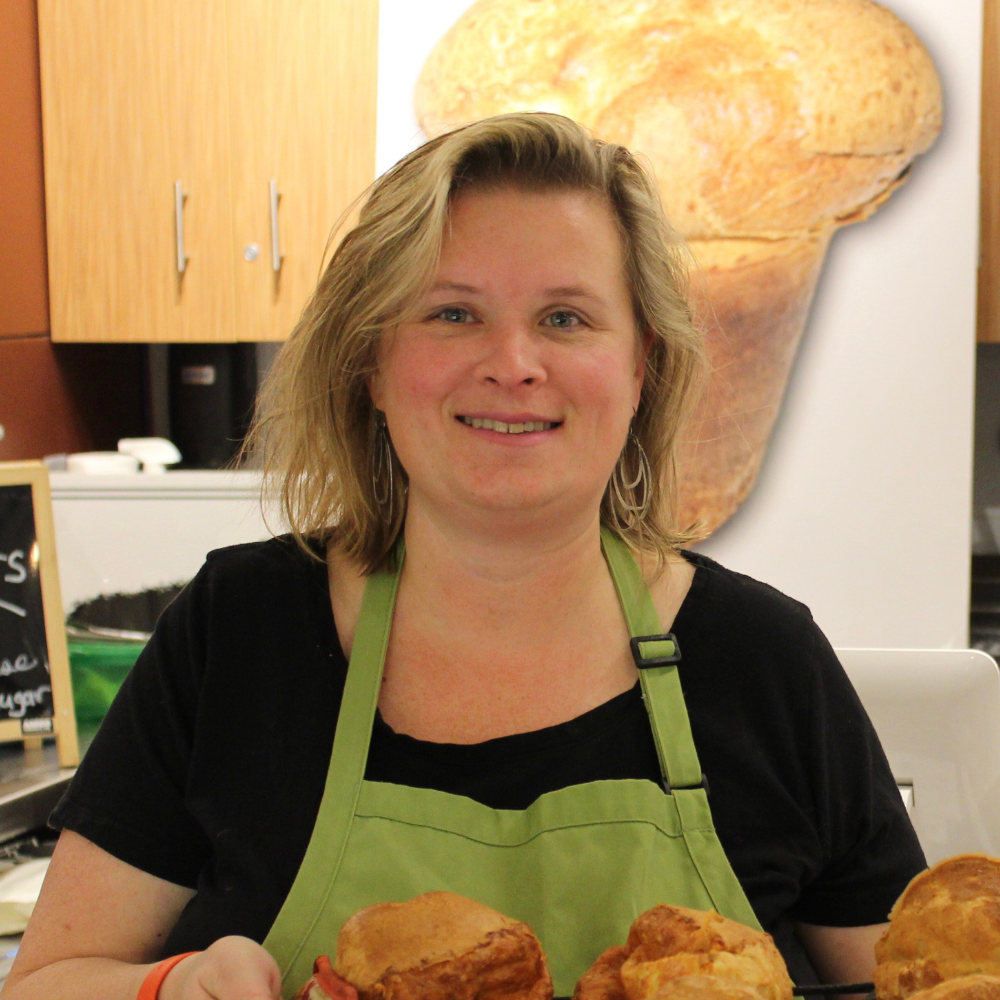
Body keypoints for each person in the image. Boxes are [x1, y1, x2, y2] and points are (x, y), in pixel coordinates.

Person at [4, 113, 923, 1000]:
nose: (514, 362)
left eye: (566, 318)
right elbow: (47, 983)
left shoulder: (764, 659)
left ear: (641, 366)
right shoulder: (237, 632)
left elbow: (928, 984)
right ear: (370, 361)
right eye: (452, 314)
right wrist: (175, 986)